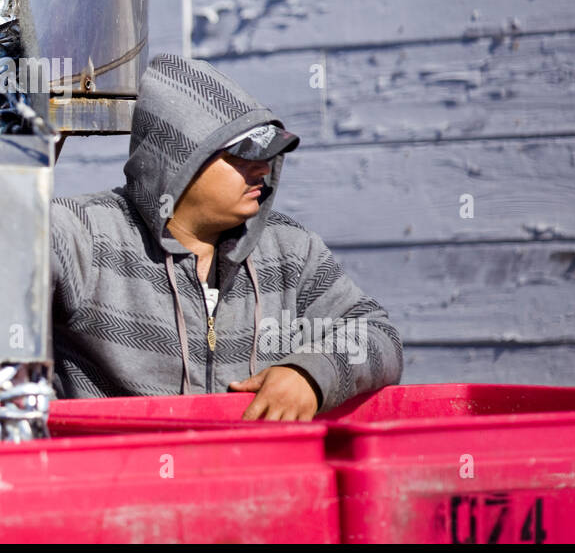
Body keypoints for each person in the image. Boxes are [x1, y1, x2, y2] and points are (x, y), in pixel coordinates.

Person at [49, 53, 403, 420]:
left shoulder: (291, 250)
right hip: (119, 474)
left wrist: (310, 375)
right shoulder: (84, 234)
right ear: (179, 157)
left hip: (248, 473)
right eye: (245, 151)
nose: (263, 167)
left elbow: (378, 334)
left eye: (270, 151)